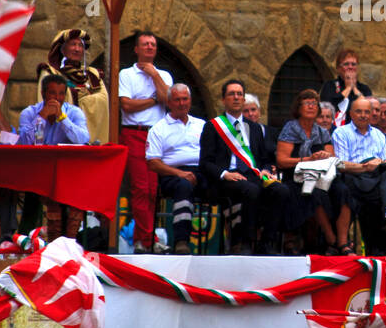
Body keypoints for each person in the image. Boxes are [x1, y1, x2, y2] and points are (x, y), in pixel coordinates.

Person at [199, 80, 290, 255]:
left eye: (239, 94)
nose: (236, 97)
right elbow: (205, 162)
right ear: (224, 99)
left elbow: (263, 158)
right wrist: (225, 174)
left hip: (253, 175)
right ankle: (246, 243)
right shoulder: (213, 126)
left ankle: (267, 242)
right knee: (251, 190)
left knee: (281, 191)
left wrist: (264, 169)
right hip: (227, 178)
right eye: (232, 94)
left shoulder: (254, 128)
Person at [276, 89, 353, 254]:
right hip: (296, 178)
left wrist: (325, 155)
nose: (311, 106)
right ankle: (331, 239)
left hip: (322, 175)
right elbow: (282, 161)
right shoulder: (290, 128)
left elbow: (332, 158)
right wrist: (308, 159)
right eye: (307, 103)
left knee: (343, 190)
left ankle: (343, 241)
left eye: (314, 104)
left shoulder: (322, 131)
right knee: (315, 193)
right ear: (298, 108)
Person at [17, 73, 90, 241]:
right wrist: (41, 117)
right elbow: (27, 143)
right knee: (33, 195)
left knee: (73, 198)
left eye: (61, 93)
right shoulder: (29, 113)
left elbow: (83, 139)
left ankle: (68, 241)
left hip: (66, 173)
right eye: (52, 93)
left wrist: (62, 119)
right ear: (43, 94)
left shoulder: (74, 113)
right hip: (37, 172)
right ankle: (26, 239)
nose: (57, 98)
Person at [118, 32, 173, 254]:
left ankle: (148, 237)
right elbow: (127, 106)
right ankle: (144, 240)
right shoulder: (127, 74)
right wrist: (153, 99)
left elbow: (168, 100)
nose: (150, 47)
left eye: (153, 44)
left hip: (158, 135)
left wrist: (154, 76)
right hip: (135, 132)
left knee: (153, 189)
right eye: (145, 44)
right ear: (137, 49)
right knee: (140, 188)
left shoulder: (164, 75)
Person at [332, 97, 386, 256]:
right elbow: (341, 165)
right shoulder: (341, 132)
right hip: (355, 176)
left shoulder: (378, 135)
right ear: (351, 113)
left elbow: (385, 161)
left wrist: (378, 165)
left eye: (367, 112)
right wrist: (366, 166)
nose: (363, 115)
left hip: (377, 175)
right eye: (359, 111)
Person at [145, 84, 205, 254]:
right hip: (172, 174)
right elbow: (153, 163)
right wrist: (180, 173)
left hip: (201, 171)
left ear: (190, 101)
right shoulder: (158, 128)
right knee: (183, 186)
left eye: (185, 99)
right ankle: (181, 242)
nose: (181, 103)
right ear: (169, 103)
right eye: (177, 99)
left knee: (227, 184)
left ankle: (236, 243)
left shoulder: (201, 125)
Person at [37, 27, 109, 145]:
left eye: (80, 46)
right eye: (73, 44)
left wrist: (82, 100)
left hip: (87, 136)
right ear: (62, 49)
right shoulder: (51, 73)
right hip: (58, 139)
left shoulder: (93, 75)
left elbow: (104, 99)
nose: (77, 49)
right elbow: (44, 106)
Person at [319, 50, 372, 129]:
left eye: (353, 64)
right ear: (338, 68)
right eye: (346, 64)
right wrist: (348, 88)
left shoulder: (364, 88)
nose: (350, 67)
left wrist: (354, 88)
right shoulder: (330, 85)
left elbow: (368, 107)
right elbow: (329, 106)